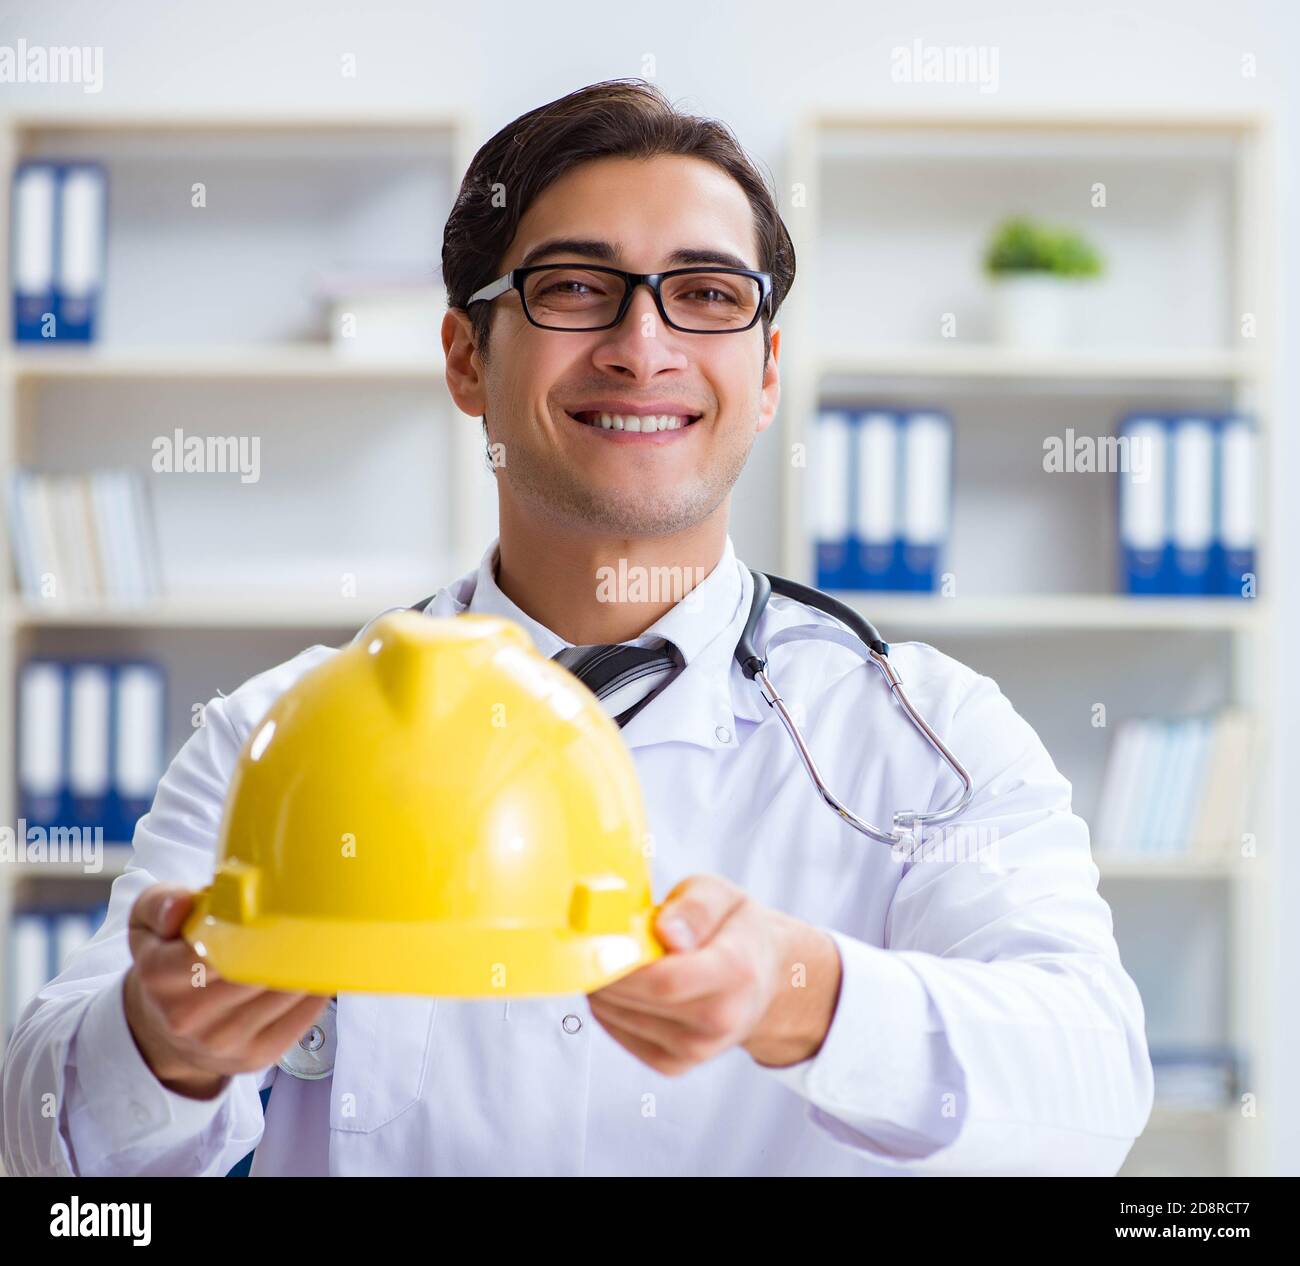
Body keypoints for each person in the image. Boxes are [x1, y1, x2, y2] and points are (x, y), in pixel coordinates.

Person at [1, 78, 1153, 1177]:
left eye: (706, 294)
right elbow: (40, 1141)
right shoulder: (281, 734)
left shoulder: (920, 729)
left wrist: (797, 994)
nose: (641, 345)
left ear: (764, 374)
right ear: (466, 357)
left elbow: (1090, 1090)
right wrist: (163, 1046)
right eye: (571, 287)